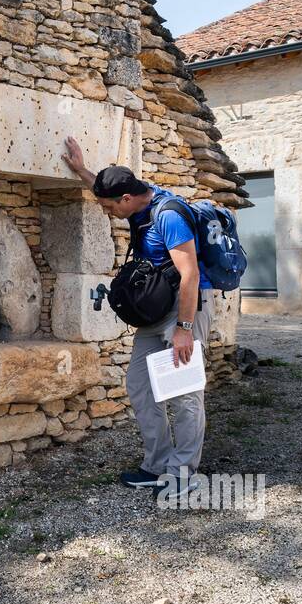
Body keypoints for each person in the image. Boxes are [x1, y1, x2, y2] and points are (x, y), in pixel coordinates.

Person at [61, 136, 211, 503]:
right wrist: (83, 171)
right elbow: (108, 190)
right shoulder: (135, 199)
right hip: (153, 309)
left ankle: (183, 473)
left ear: (126, 199)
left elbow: (189, 275)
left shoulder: (169, 216)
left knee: (183, 396)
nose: (110, 213)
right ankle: (157, 465)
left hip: (181, 311)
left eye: (111, 208)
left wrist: (184, 330)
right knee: (141, 387)